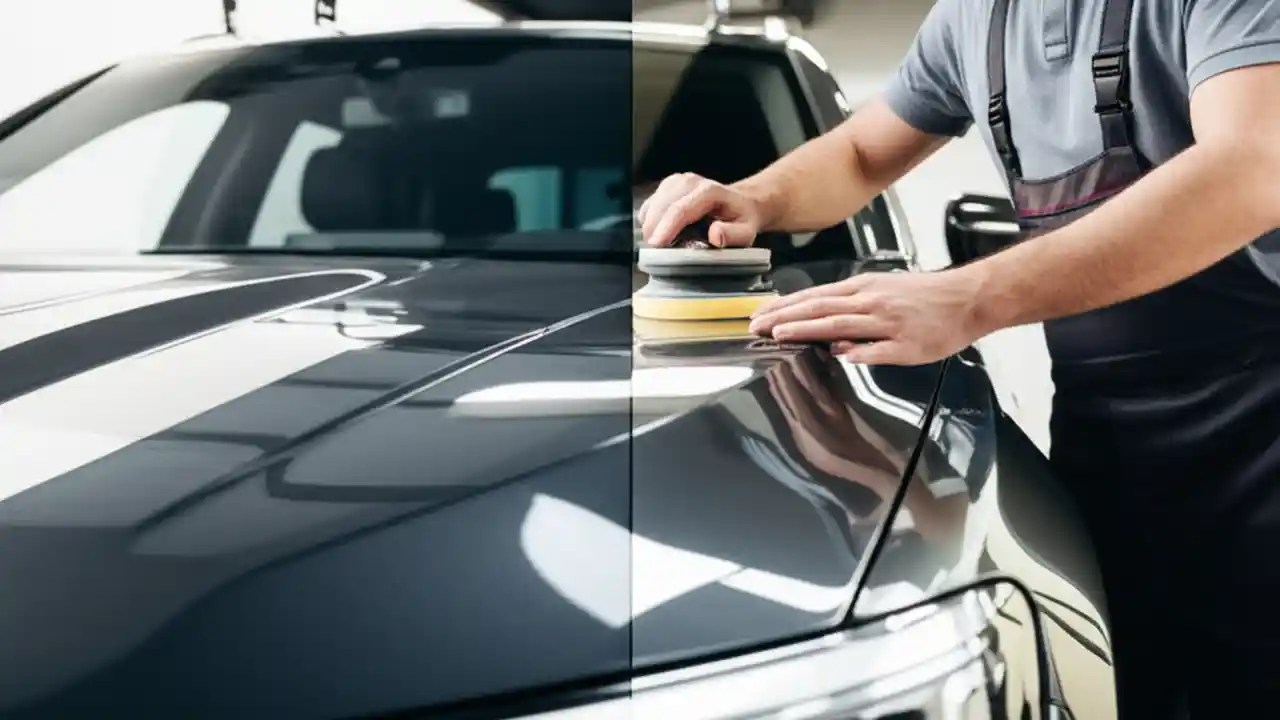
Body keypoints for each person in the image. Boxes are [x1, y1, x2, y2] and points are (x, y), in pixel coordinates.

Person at [637, 0, 1280, 718]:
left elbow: (1253, 167)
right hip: (1106, 445)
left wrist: (965, 298)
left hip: (1262, 438)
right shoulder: (975, 17)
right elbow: (858, 154)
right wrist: (753, 196)